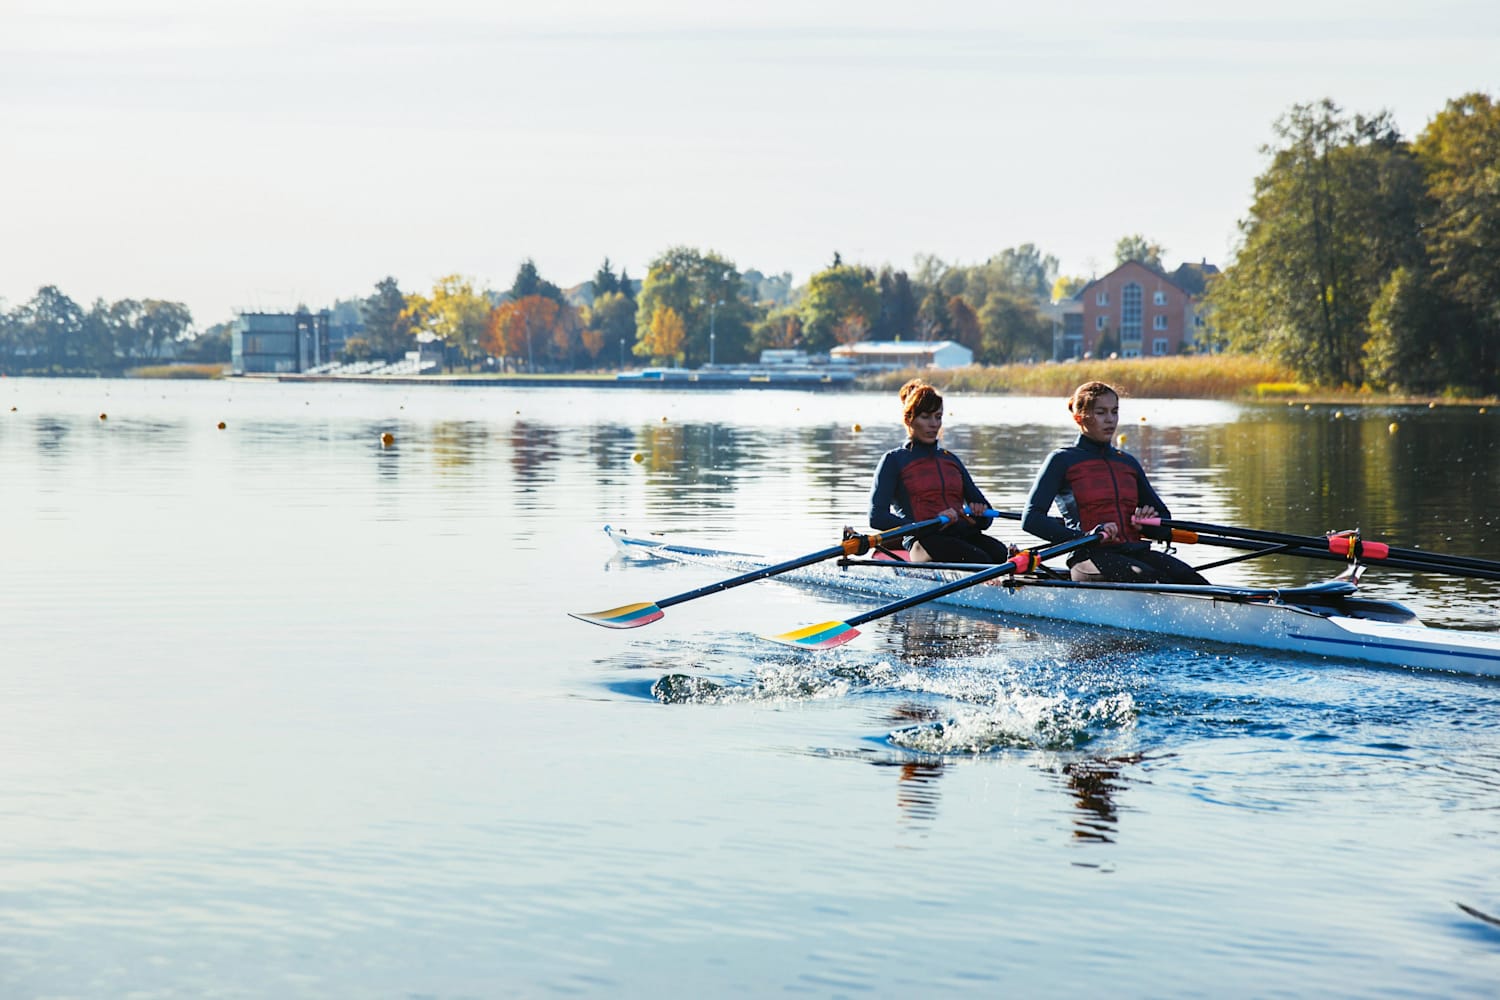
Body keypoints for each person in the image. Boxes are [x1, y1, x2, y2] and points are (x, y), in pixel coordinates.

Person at [1022, 380, 1208, 584]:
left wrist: (1146, 524)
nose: (1110, 420)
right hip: (1089, 557)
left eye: (1114, 411)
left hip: (1135, 552)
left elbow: (1163, 521)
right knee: (1145, 577)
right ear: (1079, 418)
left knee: (1191, 579)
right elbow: (1031, 519)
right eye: (1101, 413)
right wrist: (1084, 536)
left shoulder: (1127, 463)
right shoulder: (1062, 460)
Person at [867, 379, 1012, 564]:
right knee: (979, 559)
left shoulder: (950, 459)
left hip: (964, 535)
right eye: (926, 417)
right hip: (925, 542)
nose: (934, 424)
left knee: (1004, 555)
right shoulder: (894, 460)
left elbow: (986, 515)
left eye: (938, 416)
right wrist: (924, 525)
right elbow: (876, 517)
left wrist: (980, 513)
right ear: (909, 419)